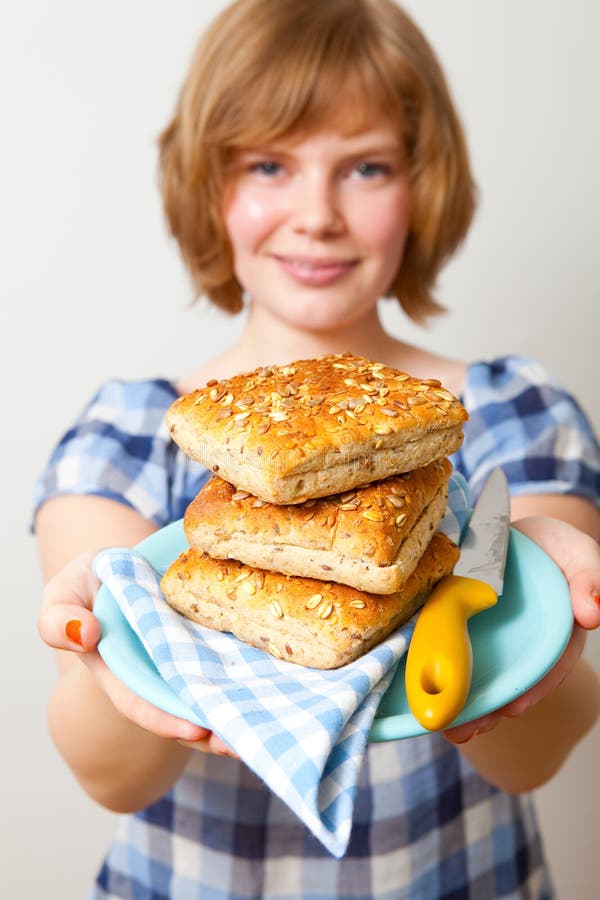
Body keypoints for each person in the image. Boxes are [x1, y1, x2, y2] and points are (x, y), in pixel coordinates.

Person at [34, 1, 600, 897]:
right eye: (269, 165)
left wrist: (550, 606)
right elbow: (112, 776)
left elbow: (532, 757)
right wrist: (106, 635)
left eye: (365, 167)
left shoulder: (513, 412)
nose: (317, 214)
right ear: (206, 184)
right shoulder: (131, 431)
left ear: (425, 183)